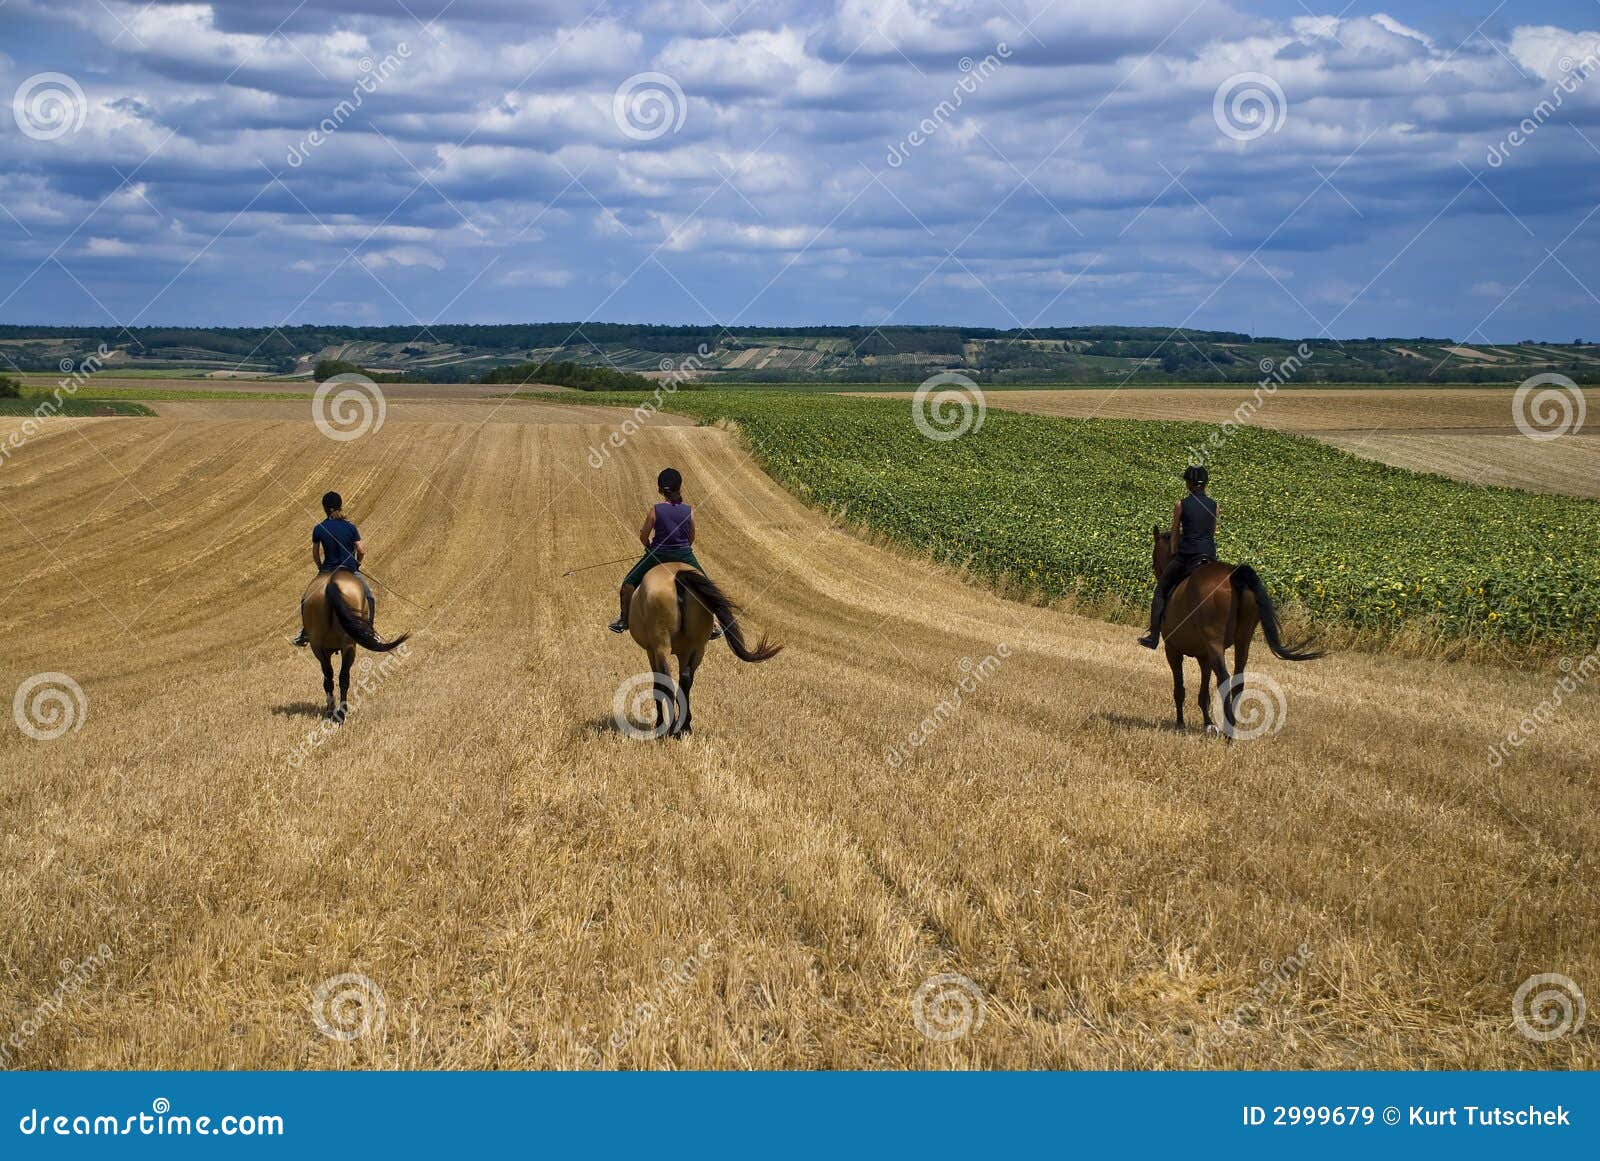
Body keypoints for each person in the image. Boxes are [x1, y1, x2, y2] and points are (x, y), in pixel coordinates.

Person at [609, 467, 719, 639]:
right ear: (680, 487)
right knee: (708, 587)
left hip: (658, 554)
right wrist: (680, 548)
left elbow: (644, 536)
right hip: (684, 554)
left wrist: (648, 547)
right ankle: (712, 625)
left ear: (660, 489)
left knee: (628, 583)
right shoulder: (689, 511)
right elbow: (691, 538)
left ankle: (624, 620)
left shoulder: (655, 510)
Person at [1137, 464, 1219, 649]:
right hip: (1208, 554)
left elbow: (1175, 532)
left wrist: (1174, 551)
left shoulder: (1181, 504)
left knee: (1161, 591)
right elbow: (1212, 532)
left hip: (1187, 556)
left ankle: (1153, 636)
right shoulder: (1215, 505)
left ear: (1189, 485)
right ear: (1205, 484)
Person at [291, 491, 368, 647]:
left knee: (306, 598)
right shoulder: (351, 527)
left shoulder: (319, 528)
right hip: (349, 570)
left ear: (325, 508)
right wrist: (357, 565)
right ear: (340, 506)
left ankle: (305, 632)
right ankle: (370, 630)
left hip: (327, 571)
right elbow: (361, 550)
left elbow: (315, 553)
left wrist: (321, 568)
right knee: (369, 596)